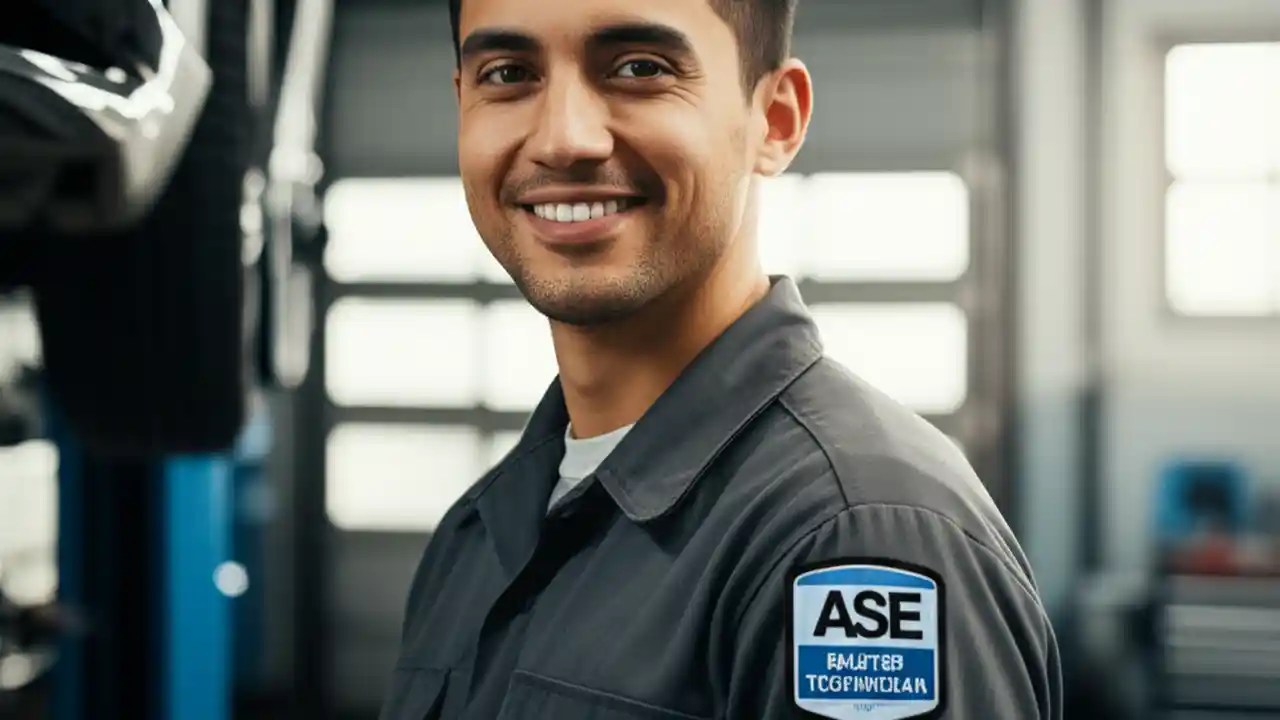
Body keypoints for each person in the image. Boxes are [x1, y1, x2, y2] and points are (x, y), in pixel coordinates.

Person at [381, 0, 1062, 717]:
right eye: (509, 73)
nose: (564, 139)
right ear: (462, 102)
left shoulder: (855, 539)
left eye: (640, 69)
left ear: (775, 120)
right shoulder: (478, 535)